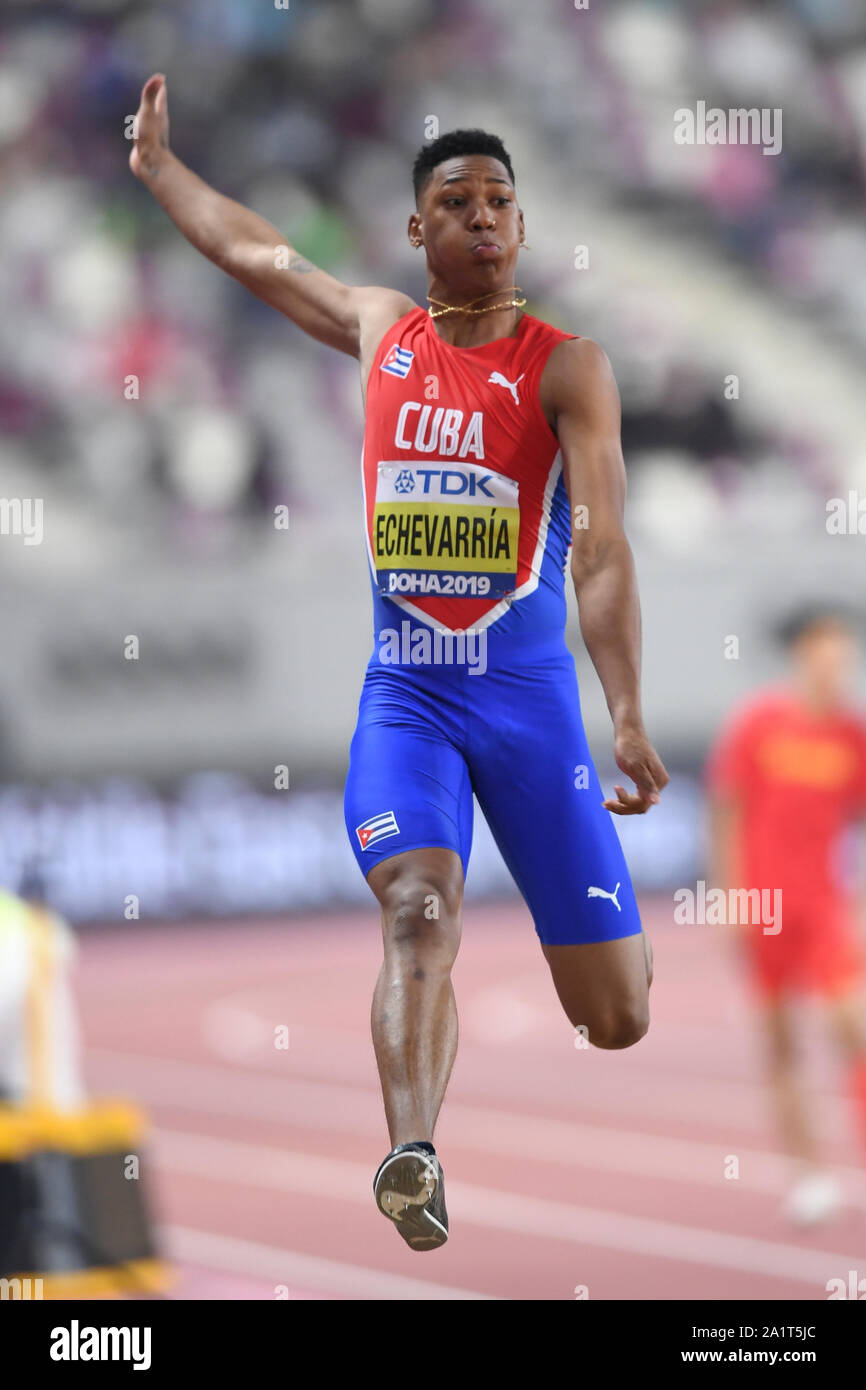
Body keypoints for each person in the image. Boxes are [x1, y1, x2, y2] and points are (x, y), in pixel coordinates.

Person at [131, 76, 668, 1250]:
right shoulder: (381, 330)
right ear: (416, 227)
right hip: (408, 701)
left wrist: (624, 710)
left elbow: (601, 552)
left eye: (499, 202)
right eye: (456, 201)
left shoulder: (567, 368)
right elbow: (255, 252)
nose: (481, 217)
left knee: (615, 1016)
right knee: (418, 911)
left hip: (530, 711)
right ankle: (411, 1153)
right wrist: (163, 172)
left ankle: (592, 962)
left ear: (520, 226)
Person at [707, 606, 866, 1224]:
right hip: (763, 907)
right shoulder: (760, 723)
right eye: (824, 649)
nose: (835, 662)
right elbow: (727, 811)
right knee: (781, 1043)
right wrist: (728, 896)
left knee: (852, 1026)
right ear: (802, 654)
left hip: (823, 905)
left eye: (842, 651)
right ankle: (809, 1175)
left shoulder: (850, 734)